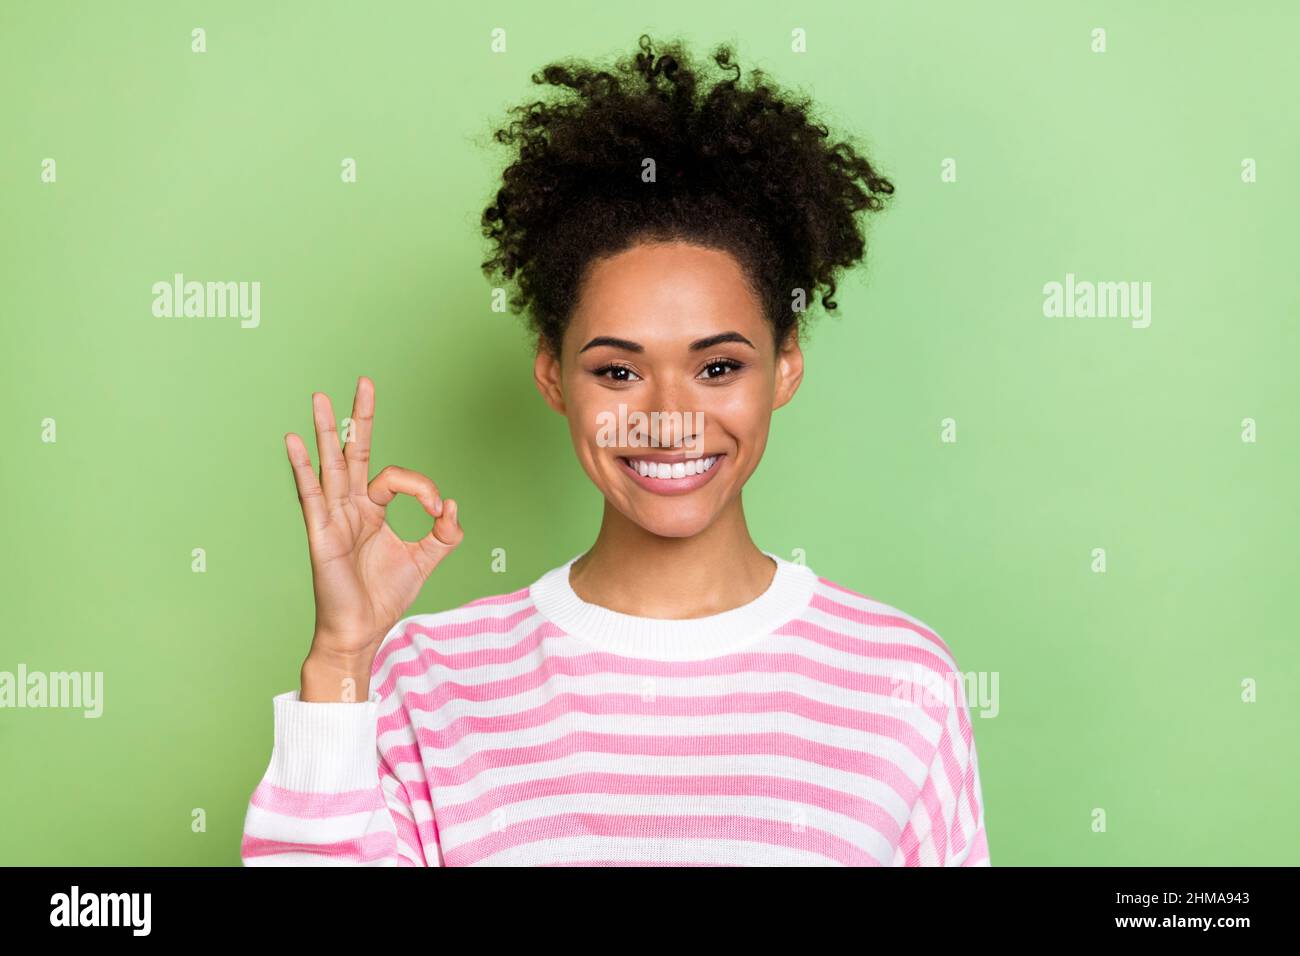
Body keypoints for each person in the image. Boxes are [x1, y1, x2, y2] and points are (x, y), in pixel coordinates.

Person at [240, 35, 989, 866]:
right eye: (619, 370)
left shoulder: (900, 681)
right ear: (555, 379)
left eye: (717, 366)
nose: (667, 418)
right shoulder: (427, 679)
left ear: (785, 368)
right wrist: (342, 659)